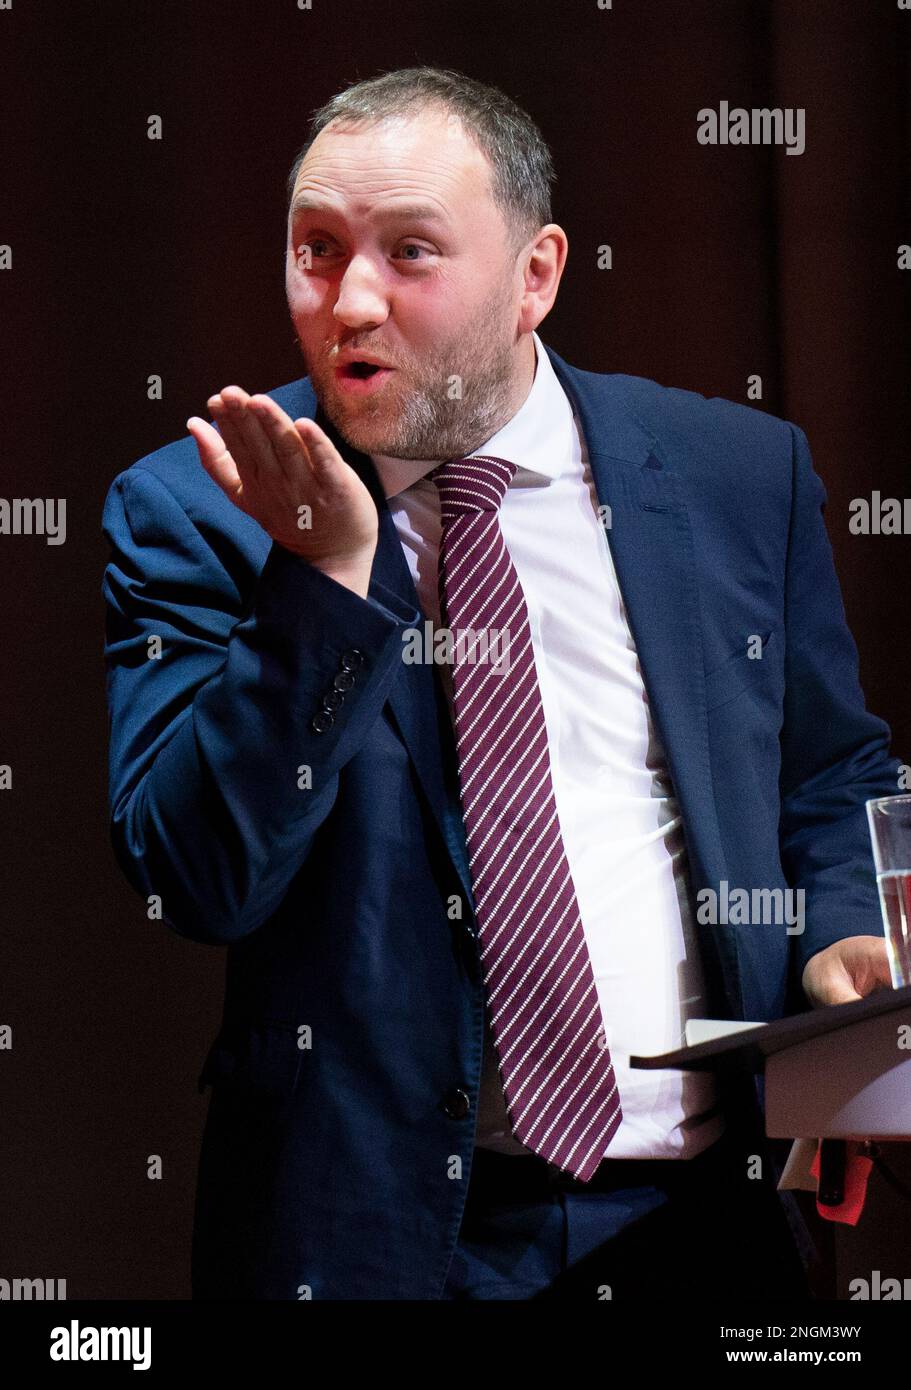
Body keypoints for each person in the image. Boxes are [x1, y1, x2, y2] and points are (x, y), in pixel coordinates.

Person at [101, 66, 901, 1300]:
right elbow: (198, 874)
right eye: (315, 249)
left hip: (710, 1224)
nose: (348, 300)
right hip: (381, 1242)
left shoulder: (736, 471)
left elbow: (827, 769)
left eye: (410, 252)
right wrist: (325, 586)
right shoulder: (199, 506)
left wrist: (844, 930)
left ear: (535, 275)